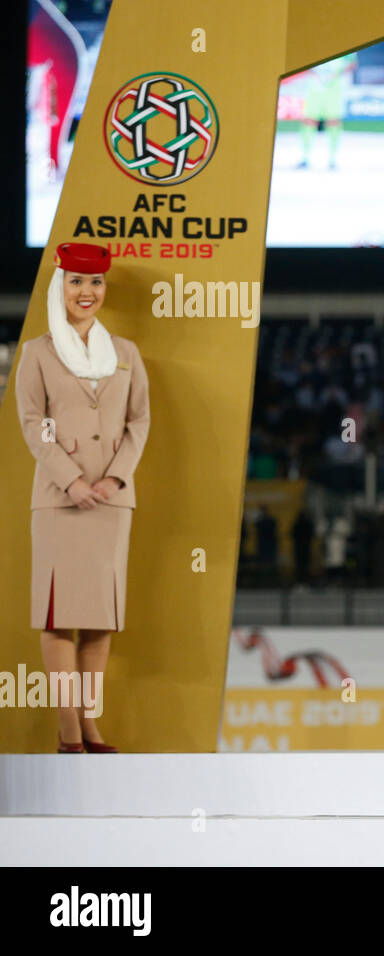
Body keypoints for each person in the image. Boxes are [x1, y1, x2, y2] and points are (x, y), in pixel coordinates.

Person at [15, 243, 149, 753]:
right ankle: (69, 730)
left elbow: (140, 421)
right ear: (60, 288)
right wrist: (70, 479)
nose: (86, 292)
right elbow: (33, 424)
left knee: (99, 623)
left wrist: (115, 479)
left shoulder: (126, 354)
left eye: (94, 283)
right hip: (59, 501)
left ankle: (90, 727)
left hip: (112, 503)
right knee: (57, 618)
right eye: (76, 282)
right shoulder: (37, 353)